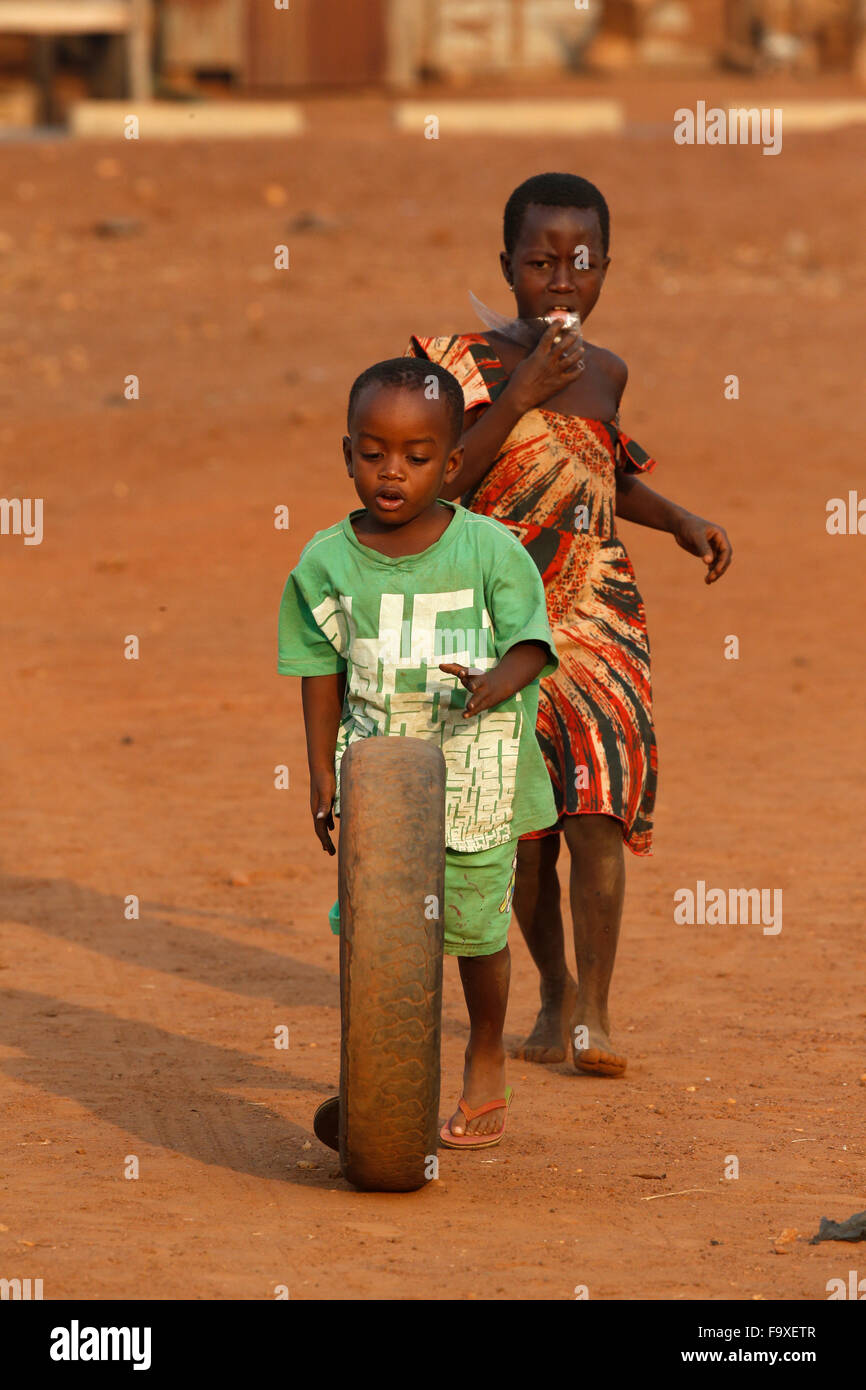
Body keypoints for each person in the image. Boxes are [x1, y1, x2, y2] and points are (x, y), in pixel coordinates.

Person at [407, 172, 732, 1078]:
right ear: (506, 264)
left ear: (605, 271)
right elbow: (442, 481)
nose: (561, 279)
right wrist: (519, 393)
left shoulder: (608, 371)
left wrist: (681, 521)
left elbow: (606, 471)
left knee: (598, 813)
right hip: (502, 620)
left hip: (601, 613)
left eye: (580, 263)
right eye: (540, 261)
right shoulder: (461, 365)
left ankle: (594, 1009)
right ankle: (549, 988)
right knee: (521, 836)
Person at [277, 357, 559, 1146]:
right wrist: (319, 775)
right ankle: (370, 1080)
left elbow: (532, 645)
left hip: (476, 777)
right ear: (347, 455)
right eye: (373, 454)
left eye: (416, 456)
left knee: (474, 931)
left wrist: (492, 683)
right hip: (375, 780)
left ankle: (485, 1055)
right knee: (372, 936)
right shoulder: (326, 563)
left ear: (454, 461)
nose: (392, 473)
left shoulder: (489, 551)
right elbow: (317, 668)